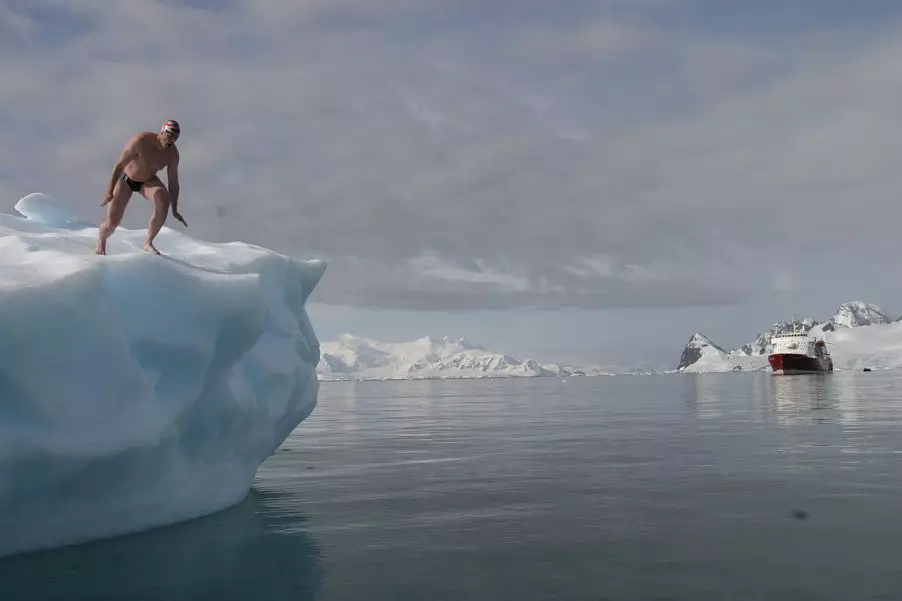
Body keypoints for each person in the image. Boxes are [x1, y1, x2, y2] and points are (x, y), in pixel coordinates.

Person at [95, 119, 187, 255]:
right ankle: (101, 241)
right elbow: (119, 165)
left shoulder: (172, 154)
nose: (171, 140)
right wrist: (109, 191)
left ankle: (148, 242)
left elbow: (173, 183)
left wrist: (174, 209)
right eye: (169, 135)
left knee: (163, 199)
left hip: (147, 181)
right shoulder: (141, 140)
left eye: (175, 138)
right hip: (126, 179)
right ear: (162, 132)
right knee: (111, 224)